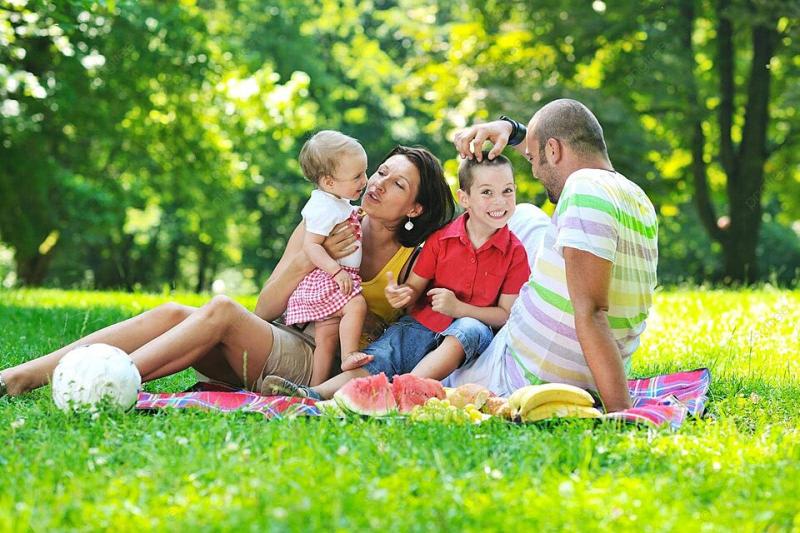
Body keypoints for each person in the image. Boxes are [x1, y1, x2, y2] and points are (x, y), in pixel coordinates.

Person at [0, 145, 455, 399]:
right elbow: (266, 308)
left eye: (397, 183)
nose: (378, 183)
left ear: (415, 208)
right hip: (277, 339)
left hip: (321, 365)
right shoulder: (326, 218)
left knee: (220, 309)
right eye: (381, 171)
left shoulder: (416, 259)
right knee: (175, 312)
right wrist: (310, 256)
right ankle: (21, 377)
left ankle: (102, 384)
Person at [261, 152, 530, 399]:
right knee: (384, 353)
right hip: (416, 324)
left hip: (462, 331)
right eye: (487, 192)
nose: (499, 201)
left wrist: (458, 308)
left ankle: (402, 393)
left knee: (468, 328)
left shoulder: (514, 253)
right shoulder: (439, 240)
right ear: (465, 198)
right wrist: (403, 294)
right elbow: (414, 289)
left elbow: (505, 315)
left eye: (507, 191)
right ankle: (313, 394)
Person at [447, 99, 659, 413]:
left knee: (517, 218)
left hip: (515, 375)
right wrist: (511, 130)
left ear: (554, 150)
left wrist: (621, 413)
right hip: (581, 370)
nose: (534, 171)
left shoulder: (582, 188)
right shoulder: (635, 196)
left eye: (533, 159)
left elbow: (592, 311)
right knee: (526, 216)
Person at [284, 131, 370, 385]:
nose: (365, 180)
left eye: (365, 172)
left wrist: (356, 213)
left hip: (332, 277)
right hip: (330, 277)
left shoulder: (334, 201)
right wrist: (336, 271)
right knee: (356, 305)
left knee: (326, 339)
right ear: (329, 182)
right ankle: (349, 355)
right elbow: (311, 246)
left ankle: (314, 390)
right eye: (357, 176)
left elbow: (341, 215)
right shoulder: (322, 208)